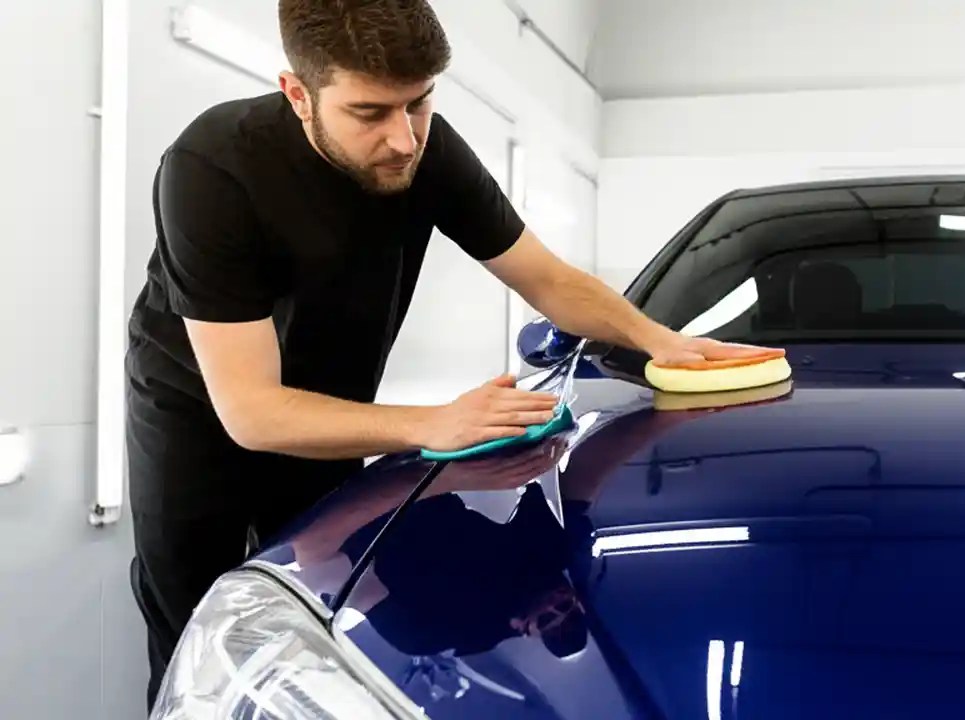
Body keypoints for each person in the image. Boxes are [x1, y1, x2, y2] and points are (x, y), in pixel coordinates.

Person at [124, 0, 768, 710]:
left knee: (314, 610)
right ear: (297, 94)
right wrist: (437, 423)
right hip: (199, 411)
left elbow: (548, 280)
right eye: (370, 113)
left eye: (419, 103)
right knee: (195, 622)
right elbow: (251, 413)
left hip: (334, 401)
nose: (403, 139)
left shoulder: (431, 154)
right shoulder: (213, 168)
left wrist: (662, 341)